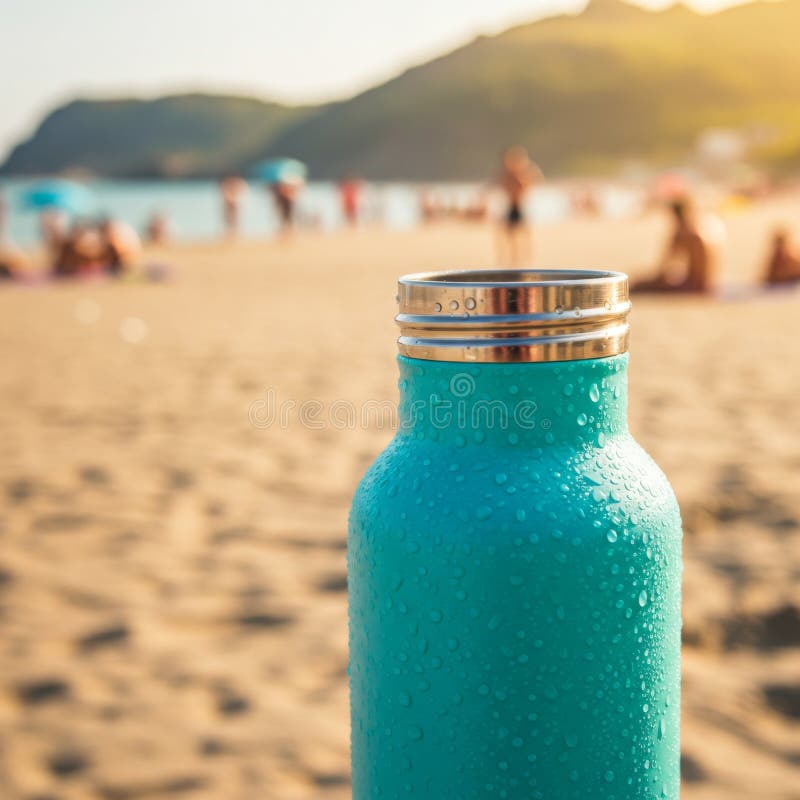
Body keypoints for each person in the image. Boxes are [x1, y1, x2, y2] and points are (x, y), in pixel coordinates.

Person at [631, 197, 721, 295]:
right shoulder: (701, 226)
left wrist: (646, 282)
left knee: (640, 286)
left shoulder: (682, 233)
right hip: (709, 283)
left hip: (695, 286)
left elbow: (665, 267)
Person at [496, 145, 542, 267]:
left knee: (522, 234)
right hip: (511, 208)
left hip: (518, 207)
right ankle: (514, 258)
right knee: (510, 235)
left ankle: (525, 258)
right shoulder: (508, 175)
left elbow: (531, 183)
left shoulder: (518, 176)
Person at [220, 175, 247, 239]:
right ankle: (231, 232)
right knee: (229, 218)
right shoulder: (227, 184)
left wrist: (233, 199)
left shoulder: (238, 183)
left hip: (234, 203)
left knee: (234, 218)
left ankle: (234, 233)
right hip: (231, 203)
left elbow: (242, 192)